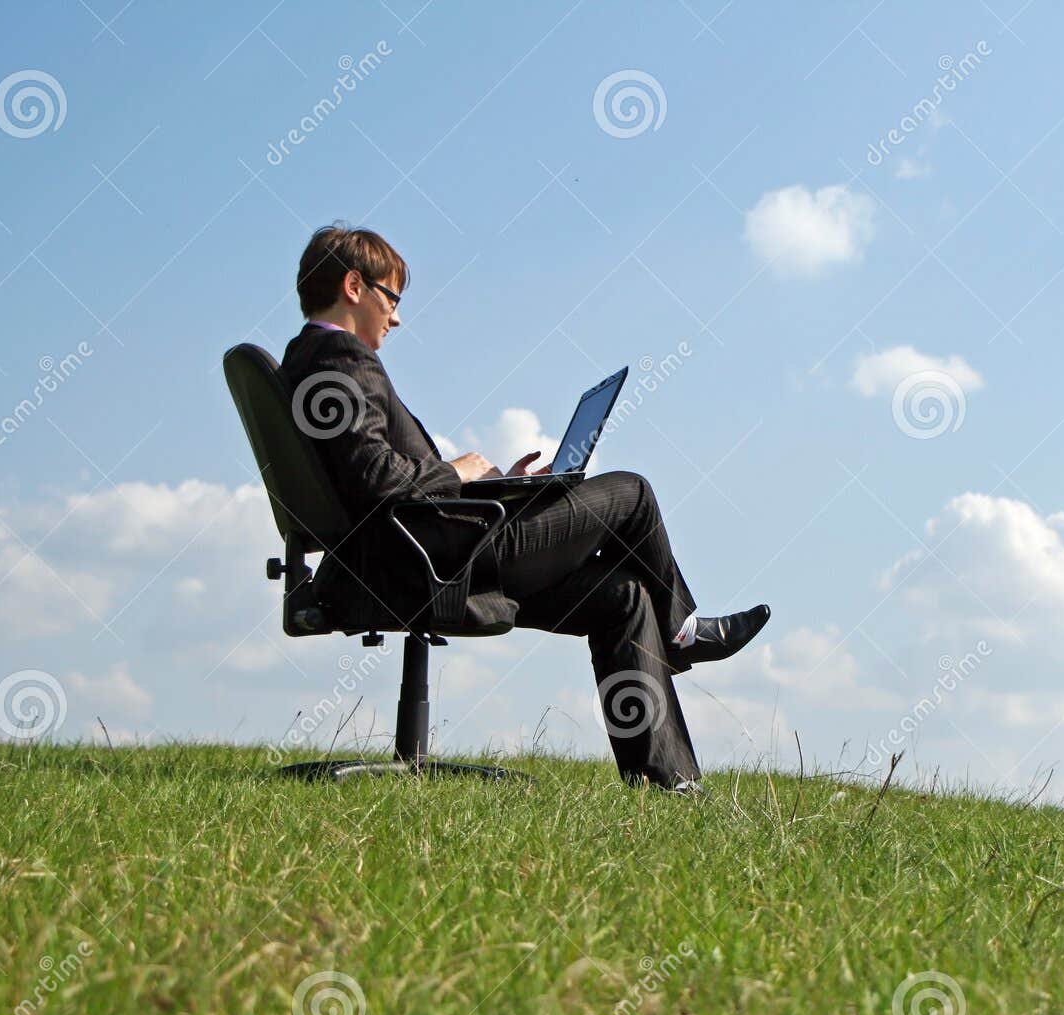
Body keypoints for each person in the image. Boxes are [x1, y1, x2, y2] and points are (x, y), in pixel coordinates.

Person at [279, 224, 769, 794]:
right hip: (434, 564)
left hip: (425, 553)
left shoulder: (308, 358)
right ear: (354, 286)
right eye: (393, 298)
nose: (396, 317)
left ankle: (669, 784)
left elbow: (373, 486)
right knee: (631, 492)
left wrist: (499, 488)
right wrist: (459, 472)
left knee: (623, 595)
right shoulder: (339, 357)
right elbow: (376, 481)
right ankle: (684, 628)